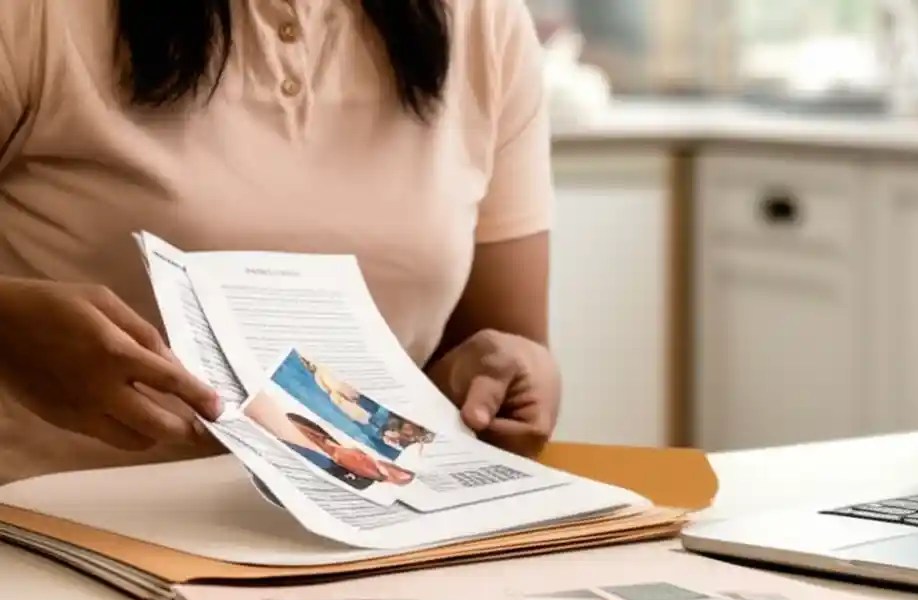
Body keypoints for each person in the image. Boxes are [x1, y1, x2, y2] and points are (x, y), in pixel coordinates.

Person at [0, 0, 561, 483]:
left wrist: (510, 378)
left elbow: (501, 349)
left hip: (367, 545)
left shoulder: (481, 21)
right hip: (56, 547)